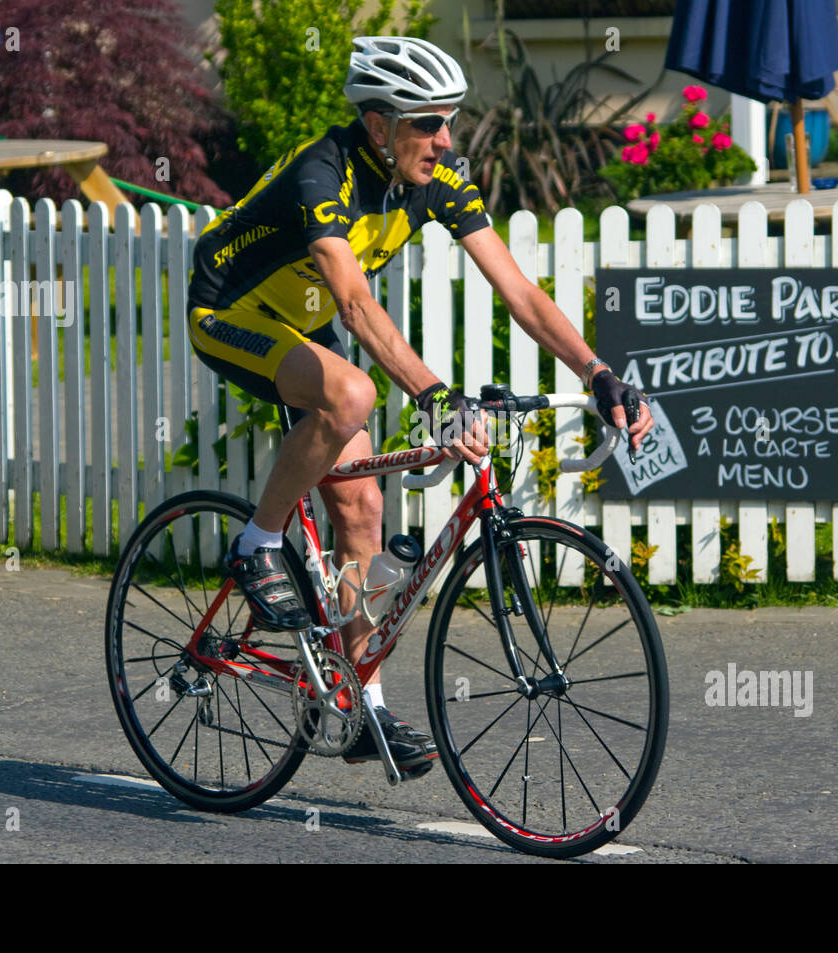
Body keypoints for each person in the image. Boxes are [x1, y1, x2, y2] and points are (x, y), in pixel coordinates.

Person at [187, 35, 653, 778]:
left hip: (300, 322)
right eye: (426, 123)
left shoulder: (438, 180)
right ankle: (256, 546)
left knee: (363, 510)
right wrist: (434, 394)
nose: (444, 140)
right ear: (378, 126)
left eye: (449, 121)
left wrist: (599, 372)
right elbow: (353, 300)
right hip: (229, 308)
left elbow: (521, 293)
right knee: (353, 391)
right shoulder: (323, 171)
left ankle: (355, 700)